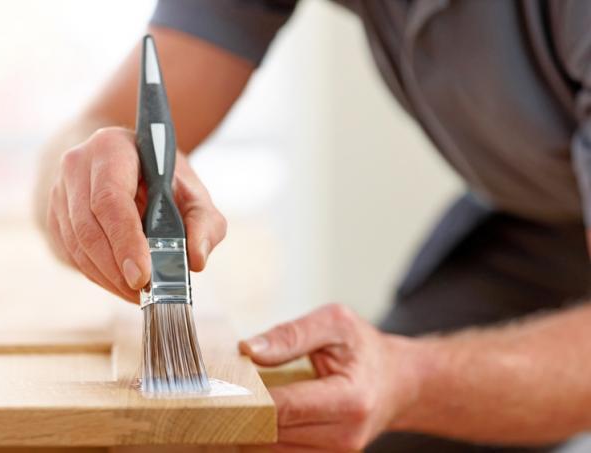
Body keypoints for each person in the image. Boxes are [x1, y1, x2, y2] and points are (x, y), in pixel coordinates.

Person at [35, 1, 591, 451]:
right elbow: (93, 127)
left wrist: (409, 379)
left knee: (398, 397)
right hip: (533, 212)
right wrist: (88, 181)